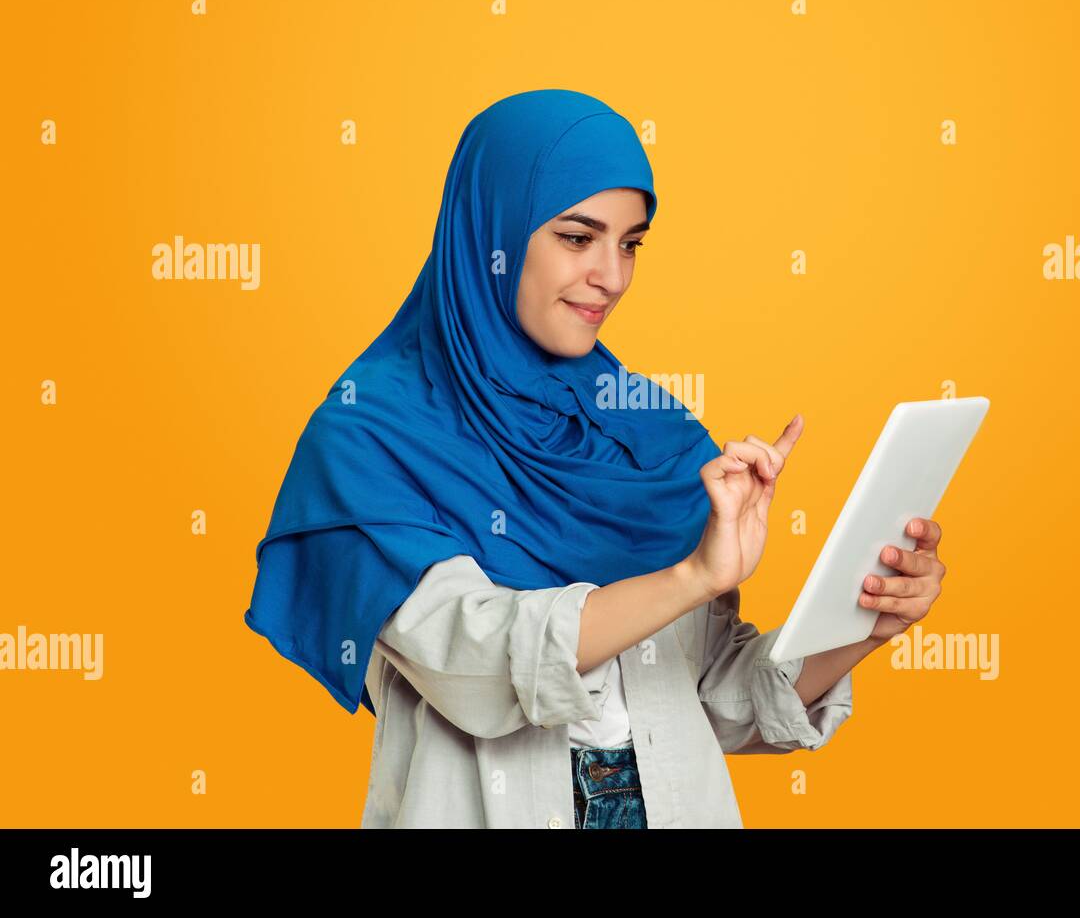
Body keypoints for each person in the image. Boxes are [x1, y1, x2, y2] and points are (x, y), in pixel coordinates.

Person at [244, 89, 947, 828]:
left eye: (631, 243)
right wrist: (691, 576)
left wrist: (864, 620)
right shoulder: (371, 433)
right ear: (491, 229)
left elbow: (715, 697)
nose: (611, 276)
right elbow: (478, 665)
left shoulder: (647, 434)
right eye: (578, 238)